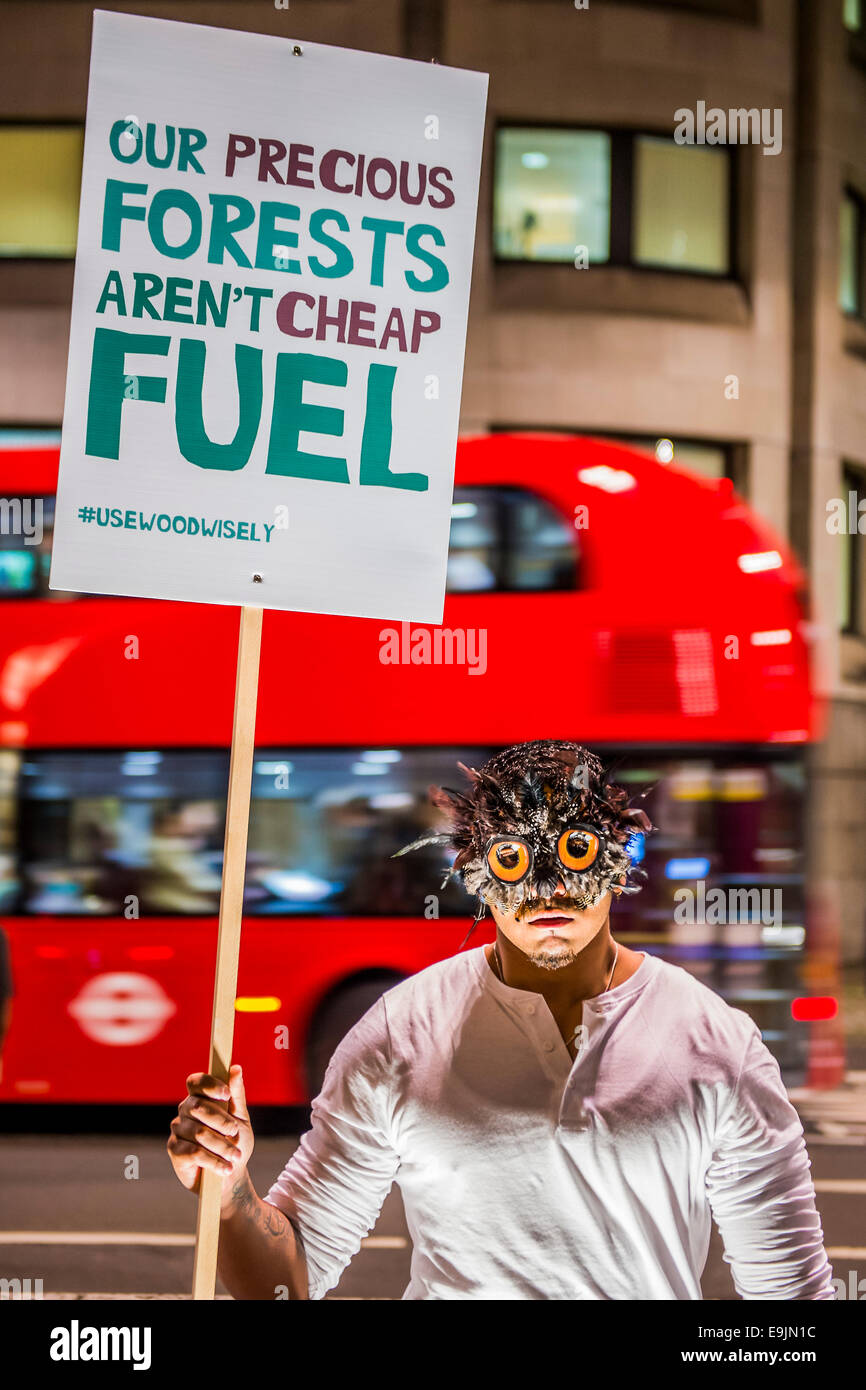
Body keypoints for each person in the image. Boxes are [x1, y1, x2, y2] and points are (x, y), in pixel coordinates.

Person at [167, 739, 835, 1300]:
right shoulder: (401, 1033)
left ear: (617, 860)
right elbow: (287, 1283)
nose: (547, 888)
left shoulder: (716, 1043)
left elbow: (792, 1299)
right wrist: (228, 1192)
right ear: (476, 873)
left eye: (575, 850)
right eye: (513, 858)